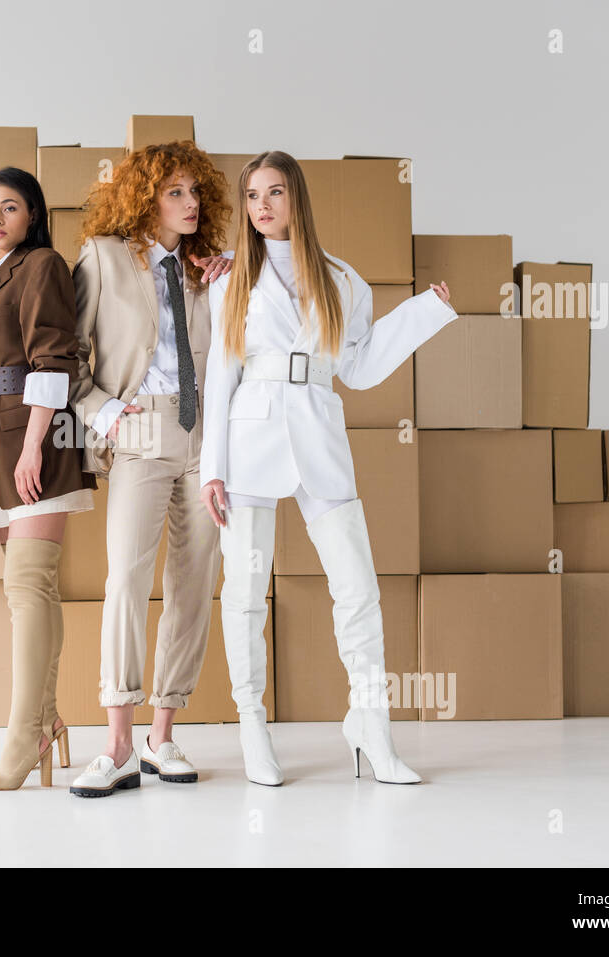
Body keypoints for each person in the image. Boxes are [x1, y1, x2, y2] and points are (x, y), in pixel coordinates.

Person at [199, 151, 456, 786]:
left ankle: (371, 725)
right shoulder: (229, 281)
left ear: (297, 200)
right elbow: (219, 376)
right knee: (244, 596)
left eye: (276, 192)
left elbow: (361, 368)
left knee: (359, 589)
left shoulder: (343, 281)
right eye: (253, 194)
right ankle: (252, 725)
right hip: (250, 439)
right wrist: (212, 468)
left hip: (318, 431)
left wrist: (424, 312)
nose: (263, 205)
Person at [66, 141, 233, 797]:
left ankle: (163, 734)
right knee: (126, 580)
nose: (190, 205)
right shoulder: (105, 257)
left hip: (205, 433)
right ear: (146, 196)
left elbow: (227, 351)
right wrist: (104, 414)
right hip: (138, 426)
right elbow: (70, 352)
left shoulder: (207, 268)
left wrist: (221, 281)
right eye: (176, 193)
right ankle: (117, 743)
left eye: (196, 193)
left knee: (195, 581)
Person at [0, 167, 98, 791]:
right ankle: (46, 724)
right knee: (34, 591)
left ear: (32, 214)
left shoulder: (41, 263)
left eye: (9, 207)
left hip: (37, 438)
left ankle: (23, 737)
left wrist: (36, 445)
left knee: (25, 584)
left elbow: (53, 355)